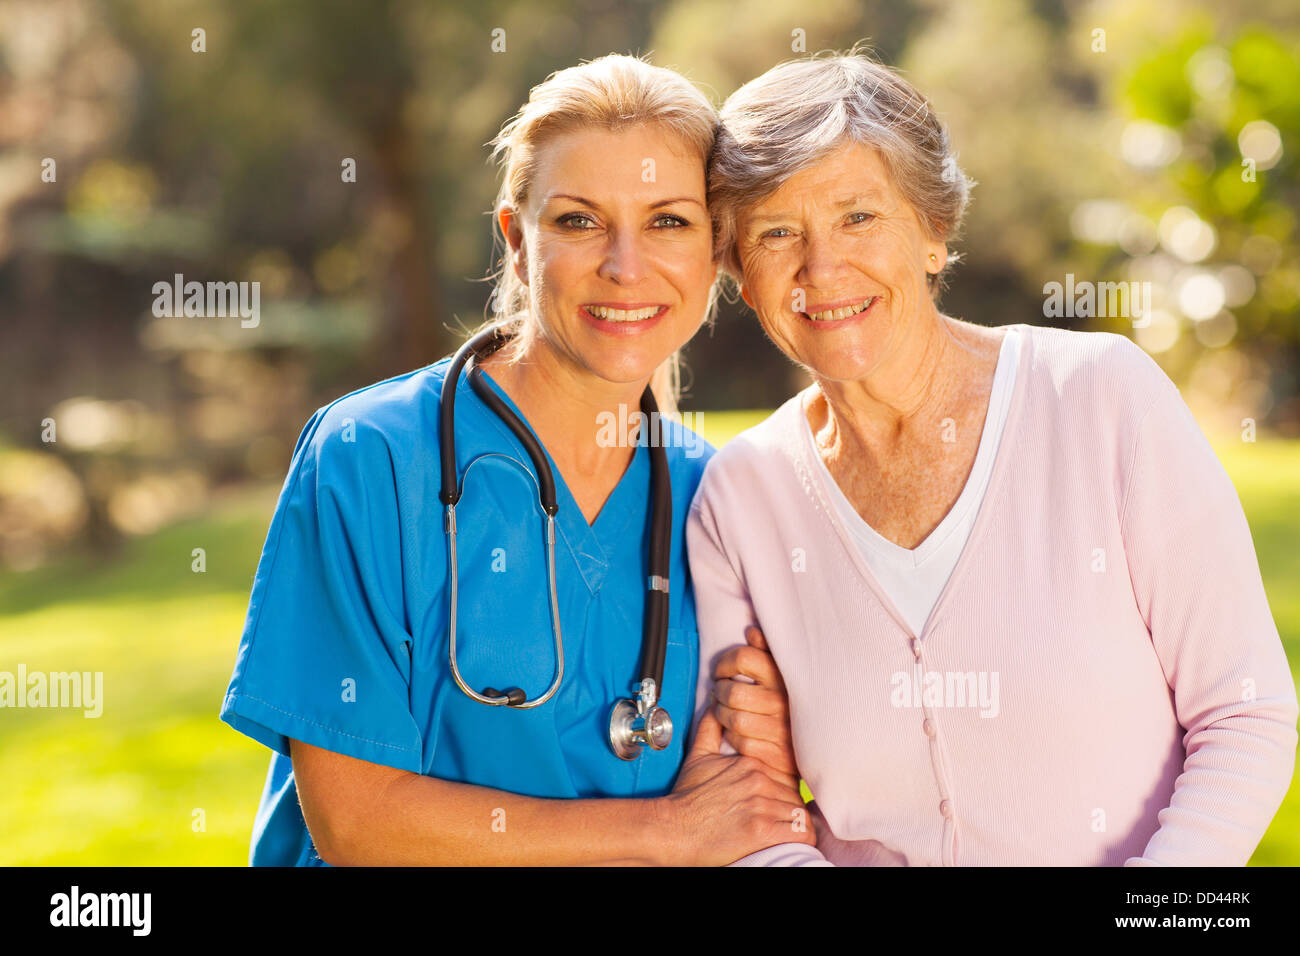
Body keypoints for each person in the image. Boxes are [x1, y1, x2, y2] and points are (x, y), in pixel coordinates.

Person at [690, 48, 1299, 866]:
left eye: (859, 217)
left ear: (934, 230)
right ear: (738, 271)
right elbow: (744, 816)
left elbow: (1245, 714)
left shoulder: (1100, 399)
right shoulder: (740, 497)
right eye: (775, 233)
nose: (822, 268)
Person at [219, 53, 811, 866]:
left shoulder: (717, 495)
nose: (625, 266)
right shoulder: (370, 458)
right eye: (578, 221)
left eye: (668, 221)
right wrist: (667, 835)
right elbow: (357, 822)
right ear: (518, 242)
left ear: (716, 251)